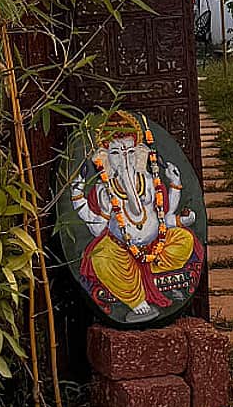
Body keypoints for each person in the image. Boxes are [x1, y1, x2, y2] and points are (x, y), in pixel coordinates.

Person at [71, 111, 199, 322]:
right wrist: (78, 199)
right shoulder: (105, 190)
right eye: (116, 154)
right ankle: (138, 301)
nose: (124, 160)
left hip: (154, 247)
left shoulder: (148, 181)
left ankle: (148, 277)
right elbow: (98, 230)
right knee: (100, 258)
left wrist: (175, 186)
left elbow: (163, 216)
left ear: (139, 154)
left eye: (130, 152)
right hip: (121, 251)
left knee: (185, 239)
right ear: (104, 156)